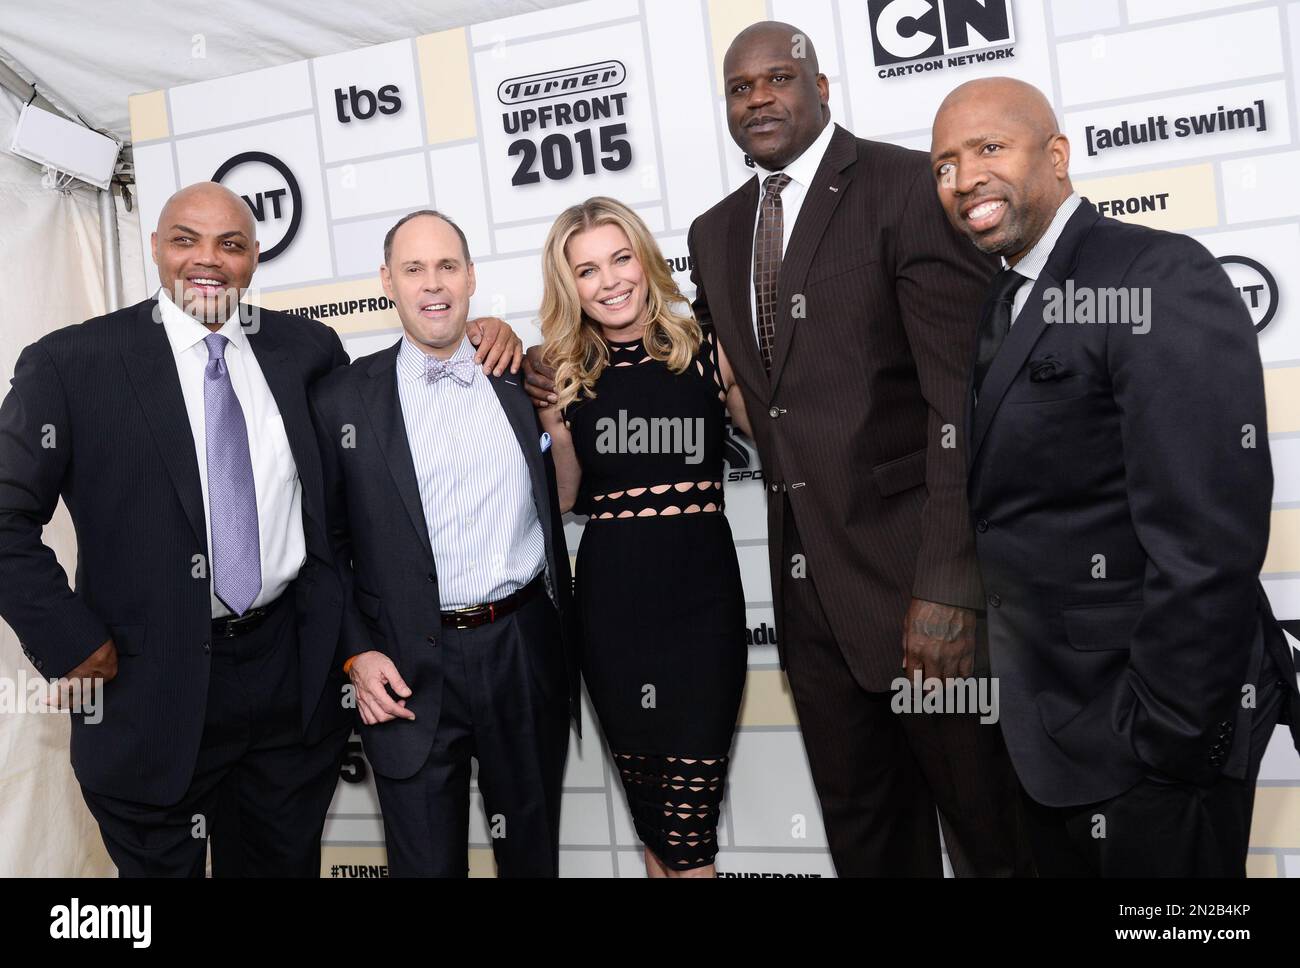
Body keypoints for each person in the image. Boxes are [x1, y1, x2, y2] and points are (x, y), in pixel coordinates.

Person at [530, 22, 1030, 877]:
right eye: (739, 87)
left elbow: (962, 401)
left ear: (822, 86)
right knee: (866, 839)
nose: (758, 97)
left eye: (778, 78)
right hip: (807, 609)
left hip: (923, 591)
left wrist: (951, 586)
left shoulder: (907, 184)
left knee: (992, 833)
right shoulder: (718, 232)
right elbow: (759, 406)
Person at [0, 182, 521, 877]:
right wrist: (70, 638)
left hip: (287, 690)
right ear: (156, 248)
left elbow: (350, 510)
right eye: (186, 239)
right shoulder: (72, 363)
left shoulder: (306, 351)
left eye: (232, 243)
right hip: (147, 694)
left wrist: (485, 335)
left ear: (253, 259)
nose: (207, 260)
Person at [930, 76, 1300, 876]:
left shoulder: (1154, 275)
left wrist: (1165, 732)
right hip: (1052, 729)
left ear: (1057, 157)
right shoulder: (1005, 296)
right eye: (945, 165)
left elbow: (1208, 536)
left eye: (990, 148)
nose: (964, 180)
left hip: (1151, 736)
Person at [310, 210, 578, 877]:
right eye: (414, 268)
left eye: (448, 266)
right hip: (402, 666)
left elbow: (567, 483)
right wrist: (355, 654)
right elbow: (324, 545)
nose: (434, 284)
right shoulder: (342, 400)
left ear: (471, 277)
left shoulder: (521, 375)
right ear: (387, 282)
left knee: (531, 859)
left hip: (520, 649)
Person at [535, 197, 750, 877]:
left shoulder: (708, 351)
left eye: (620, 258)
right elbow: (565, 495)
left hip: (702, 612)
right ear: (569, 285)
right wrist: (550, 413)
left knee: (689, 834)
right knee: (656, 822)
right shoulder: (563, 375)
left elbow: (788, 433)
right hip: (613, 614)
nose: (611, 281)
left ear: (645, 260)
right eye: (588, 269)